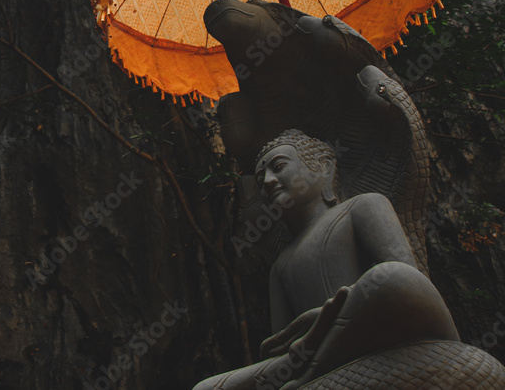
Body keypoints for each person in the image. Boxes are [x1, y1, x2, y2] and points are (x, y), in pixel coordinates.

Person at [193, 130, 459, 390]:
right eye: (261, 178)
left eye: (279, 167)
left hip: (383, 331)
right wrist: (309, 332)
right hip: (309, 355)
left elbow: (409, 284)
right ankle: (323, 362)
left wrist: (324, 318)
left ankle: (318, 368)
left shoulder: (363, 206)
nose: (268, 182)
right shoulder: (280, 266)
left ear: (324, 167)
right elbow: (281, 345)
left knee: (392, 278)